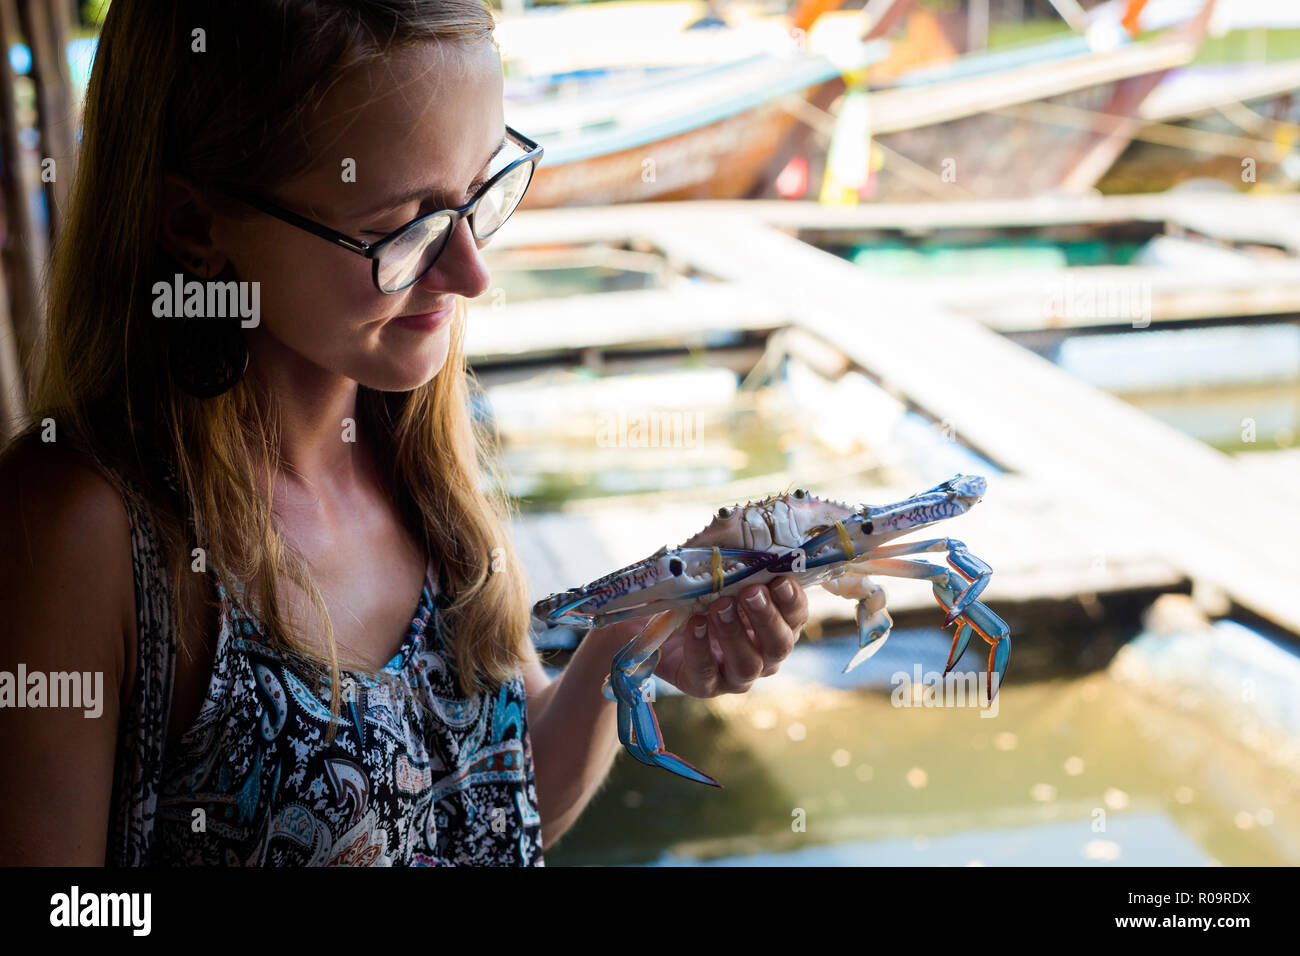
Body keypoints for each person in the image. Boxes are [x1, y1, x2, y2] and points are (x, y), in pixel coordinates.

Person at [0, 0, 808, 866]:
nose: (470, 271)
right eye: (405, 225)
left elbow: (491, 806)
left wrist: (633, 635)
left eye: (479, 194)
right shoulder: (80, 532)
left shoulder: (421, 459)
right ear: (197, 227)